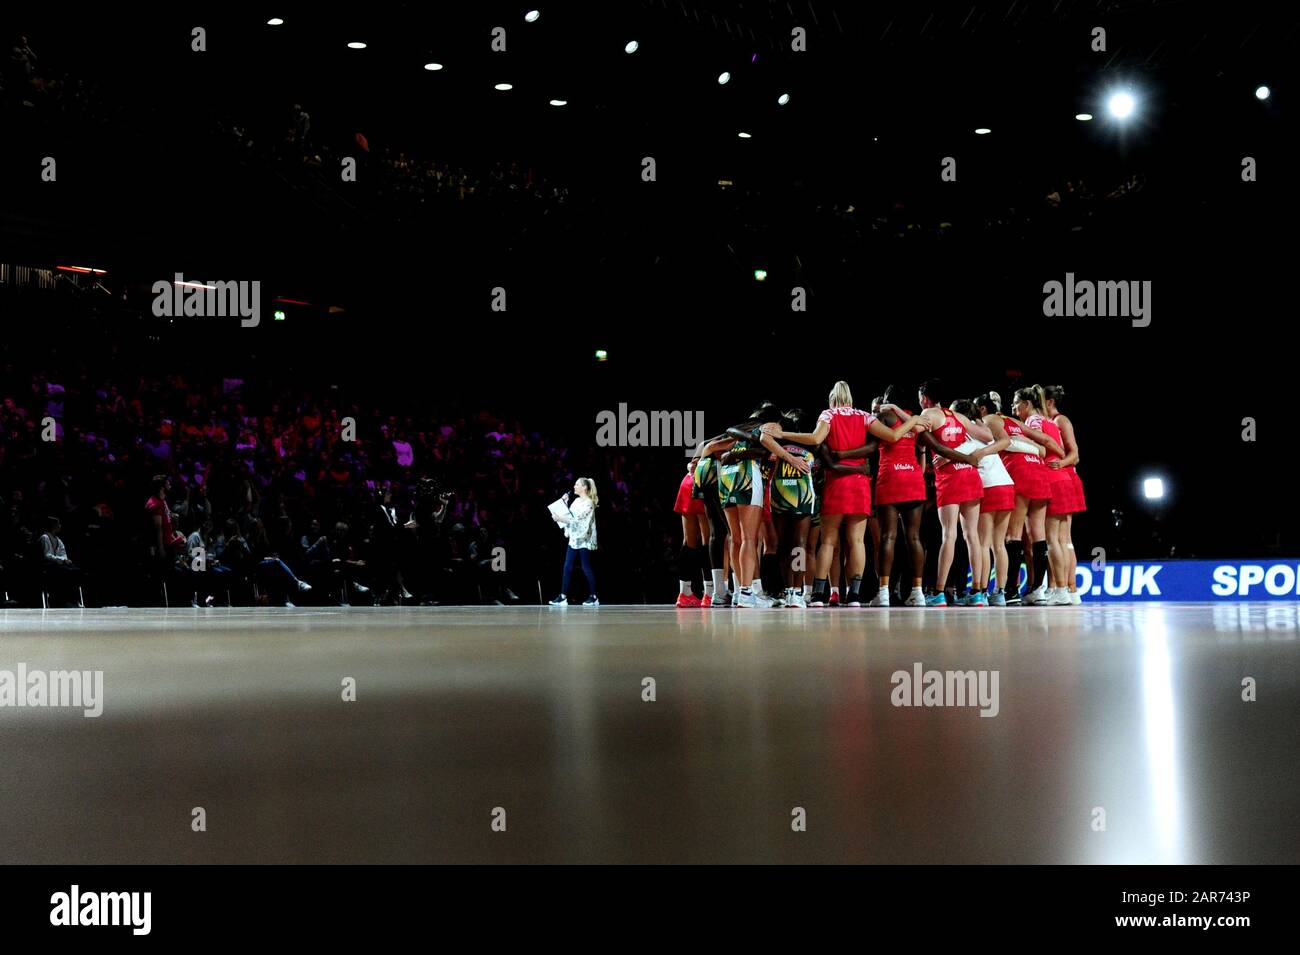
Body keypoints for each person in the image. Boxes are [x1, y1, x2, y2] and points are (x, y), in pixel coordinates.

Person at [765, 381, 926, 607]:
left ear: (832, 399)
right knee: (857, 541)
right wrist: (913, 420)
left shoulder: (828, 415)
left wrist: (783, 434)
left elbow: (815, 439)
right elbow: (891, 437)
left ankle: (819, 595)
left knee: (828, 542)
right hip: (859, 485)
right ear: (850, 398)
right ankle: (854, 596)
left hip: (835, 485)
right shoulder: (864, 416)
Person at [1044, 384, 1086, 604]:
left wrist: (1060, 463)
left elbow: (1075, 454)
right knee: (1064, 540)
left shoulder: (1060, 420)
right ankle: (1068, 590)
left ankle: (1067, 588)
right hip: (1064, 478)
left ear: (1050, 402)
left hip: (1064, 478)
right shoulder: (1048, 423)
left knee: (1061, 539)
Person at [549, 477, 600, 607]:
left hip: (585, 539)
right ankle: (563, 596)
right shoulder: (576, 501)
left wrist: (560, 518)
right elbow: (569, 515)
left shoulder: (589, 503)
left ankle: (594, 597)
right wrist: (563, 504)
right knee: (567, 567)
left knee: (585, 567)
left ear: (584, 487)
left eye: (577, 484)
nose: (574, 486)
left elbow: (578, 520)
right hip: (574, 538)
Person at [673, 460, 708, 607]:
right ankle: (710, 594)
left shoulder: (706, 444)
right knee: (709, 540)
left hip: (688, 481)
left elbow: (692, 462)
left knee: (689, 542)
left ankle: (685, 593)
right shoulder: (731, 441)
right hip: (704, 482)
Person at [38, 517, 83, 607]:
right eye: (58, 524)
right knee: (67, 572)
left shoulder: (58, 540)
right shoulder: (45, 537)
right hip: (48, 565)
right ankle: (65, 600)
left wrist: (65, 560)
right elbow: (47, 555)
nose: (60, 526)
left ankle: (73, 599)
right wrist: (62, 560)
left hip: (58, 564)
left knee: (76, 571)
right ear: (53, 526)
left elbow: (63, 553)